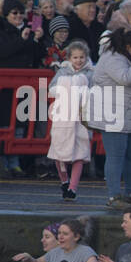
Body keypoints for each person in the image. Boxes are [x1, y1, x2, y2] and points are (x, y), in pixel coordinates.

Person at [92, 29, 131, 207]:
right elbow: (126, 78)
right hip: (114, 116)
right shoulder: (112, 58)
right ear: (128, 47)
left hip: (128, 114)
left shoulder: (125, 58)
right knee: (116, 157)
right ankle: (114, 197)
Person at [47, 41, 95, 201]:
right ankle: (64, 180)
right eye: (75, 57)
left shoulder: (90, 72)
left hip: (82, 118)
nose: (79, 60)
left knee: (79, 154)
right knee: (58, 153)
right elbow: (52, 89)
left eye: (82, 57)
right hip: (63, 117)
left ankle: (72, 188)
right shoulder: (62, 72)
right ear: (69, 58)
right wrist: (67, 87)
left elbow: (95, 91)